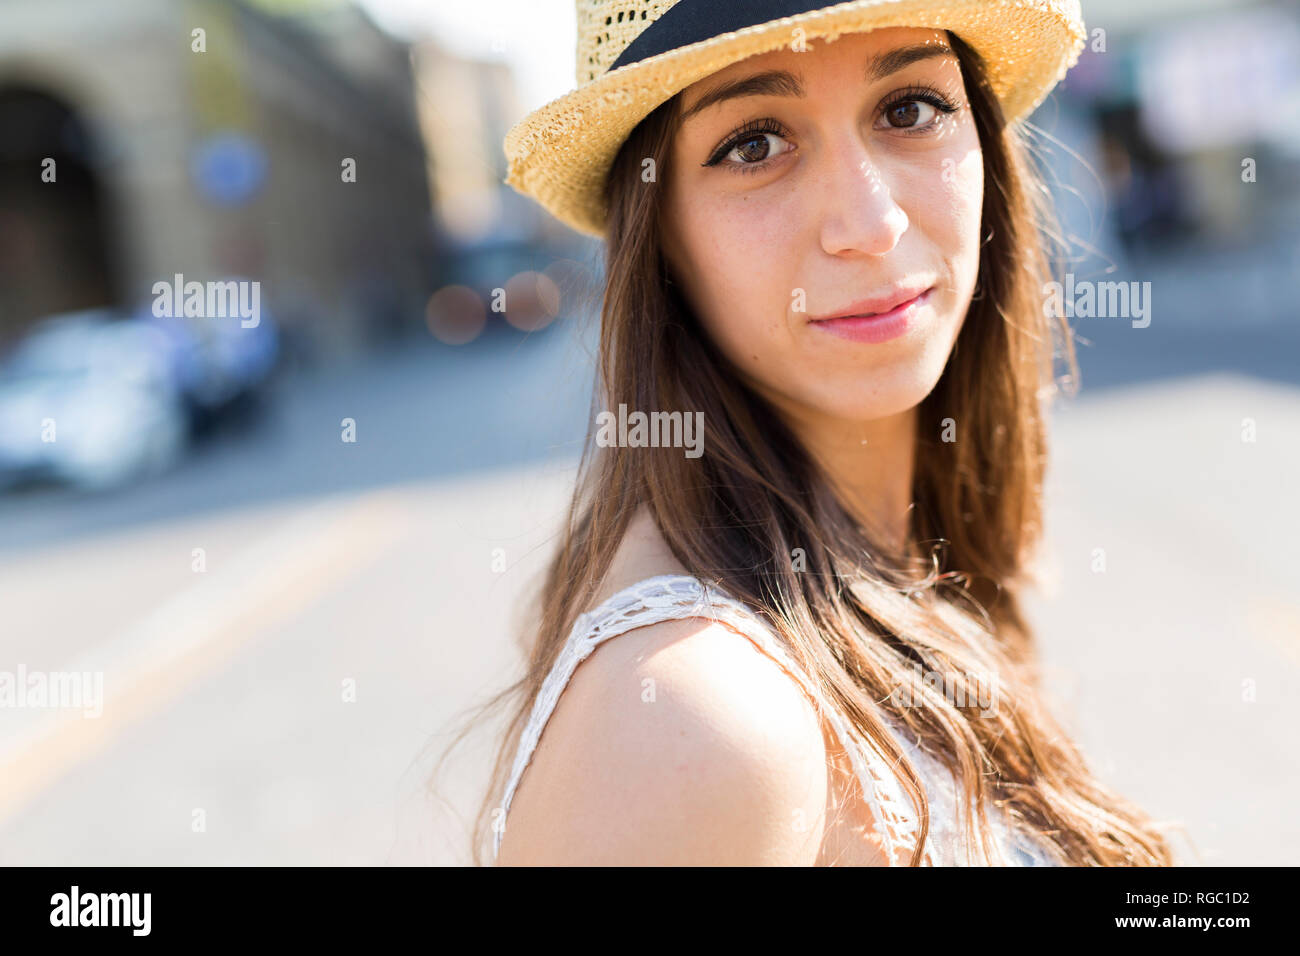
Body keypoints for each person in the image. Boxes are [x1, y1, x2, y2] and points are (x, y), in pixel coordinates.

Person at [476, 0, 1175, 865]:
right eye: (755, 145)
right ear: (658, 235)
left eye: (909, 109)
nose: (871, 224)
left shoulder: (912, 562)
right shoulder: (695, 719)